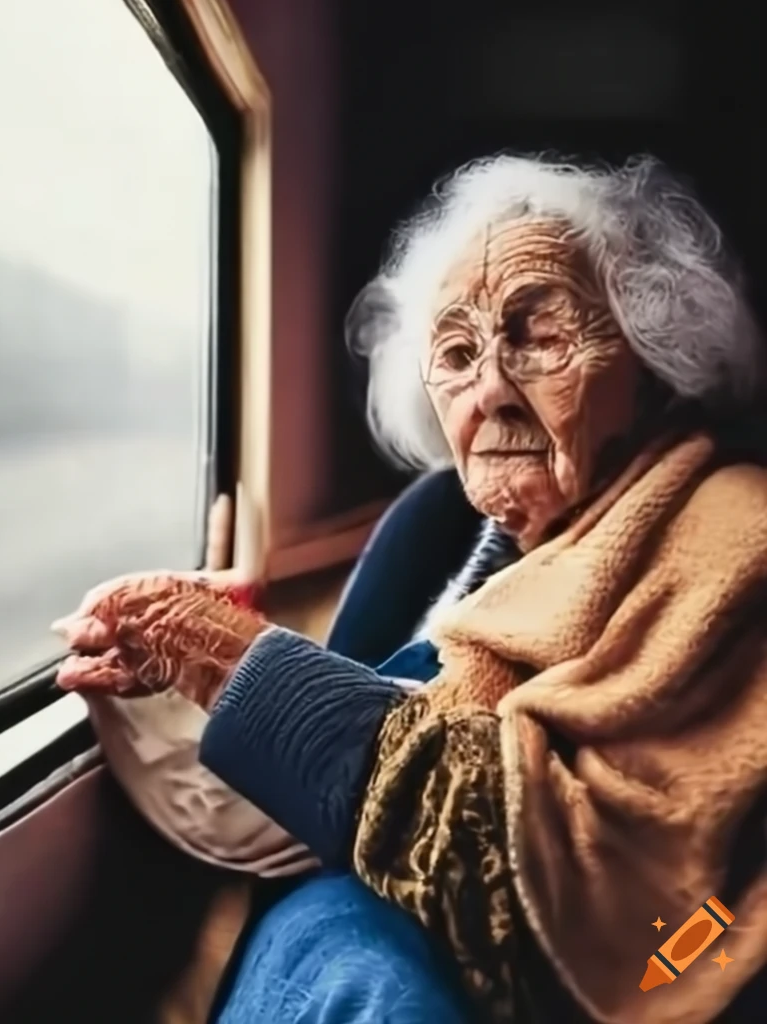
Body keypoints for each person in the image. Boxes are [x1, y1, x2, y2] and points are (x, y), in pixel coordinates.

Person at [52, 154, 767, 1024]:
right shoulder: (443, 525)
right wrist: (175, 674)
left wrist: (236, 663)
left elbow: (580, 901)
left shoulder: (734, 532)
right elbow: (301, 821)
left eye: (539, 334)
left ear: (651, 362)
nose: (493, 389)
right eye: (459, 352)